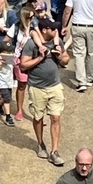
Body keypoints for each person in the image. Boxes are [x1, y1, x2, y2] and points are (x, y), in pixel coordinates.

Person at [20, 17, 68, 166]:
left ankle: (54, 151)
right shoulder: (31, 45)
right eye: (53, 29)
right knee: (38, 117)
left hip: (55, 86)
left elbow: (66, 59)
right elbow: (23, 65)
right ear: (45, 30)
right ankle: (40, 143)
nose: (56, 31)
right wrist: (40, 58)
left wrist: (60, 56)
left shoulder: (57, 42)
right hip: (37, 88)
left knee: (56, 117)